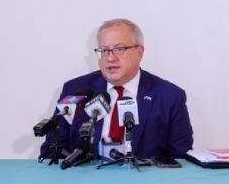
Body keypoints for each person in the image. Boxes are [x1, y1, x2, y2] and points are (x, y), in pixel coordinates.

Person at [40, 18, 193, 159]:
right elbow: (52, 150)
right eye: (104, 50)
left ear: (139, 52)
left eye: (120, 49)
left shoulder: (169, 97)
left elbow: (181, 159)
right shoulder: (75, 90)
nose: (110, 58)